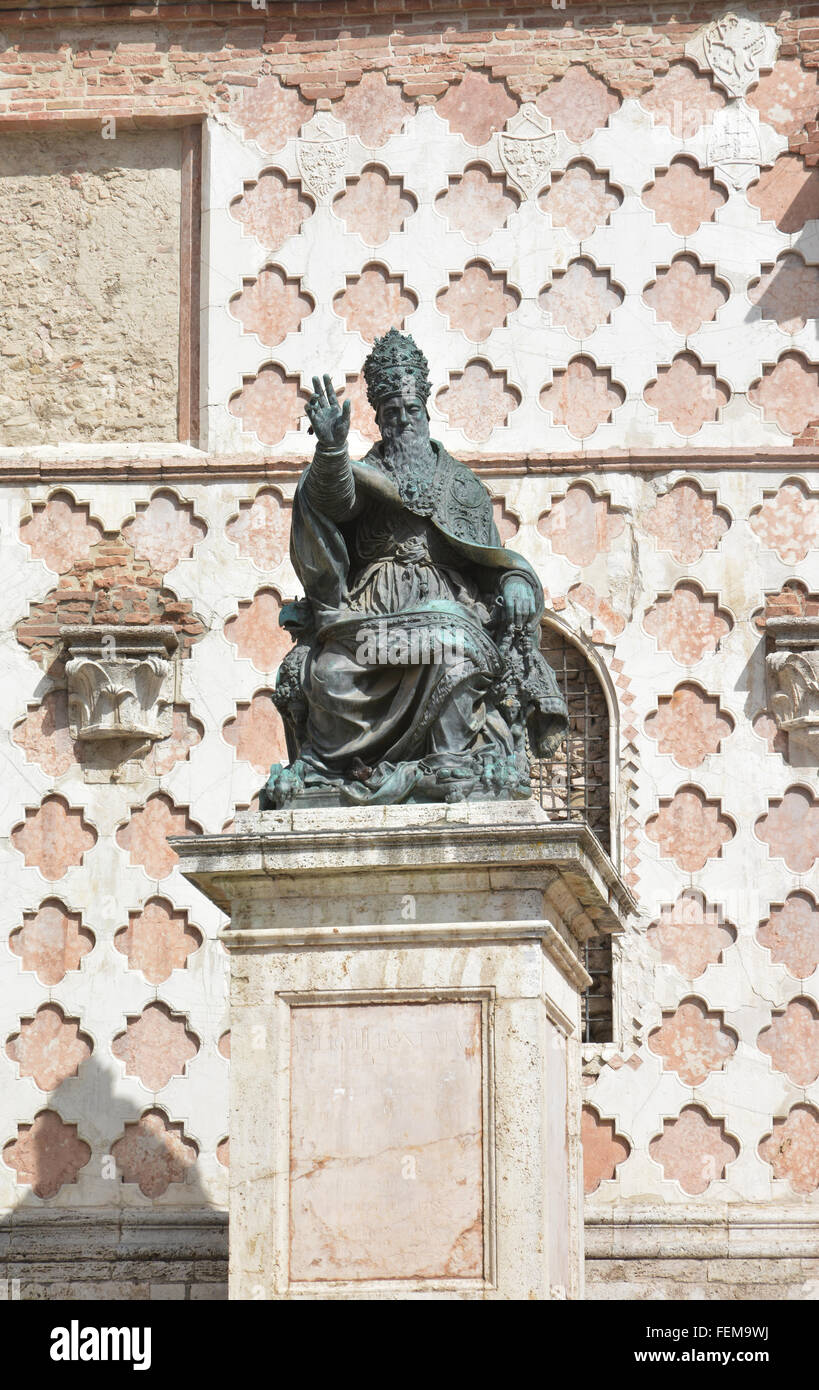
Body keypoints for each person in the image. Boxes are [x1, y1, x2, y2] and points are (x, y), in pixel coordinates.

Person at [262, 329, 567, 807]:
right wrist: (330, 451)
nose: (402, 420)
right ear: (379, 420)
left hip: (447, 607)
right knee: (328, 673)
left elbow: (491, 558)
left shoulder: (460, 485)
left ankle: (451, 763)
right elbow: (330, 500)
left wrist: (515, 581)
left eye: (410, 410)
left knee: (449, 640)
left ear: (425, 410)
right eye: (390, 413)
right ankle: (335, 770)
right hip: (370, 614)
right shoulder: (363, 473)